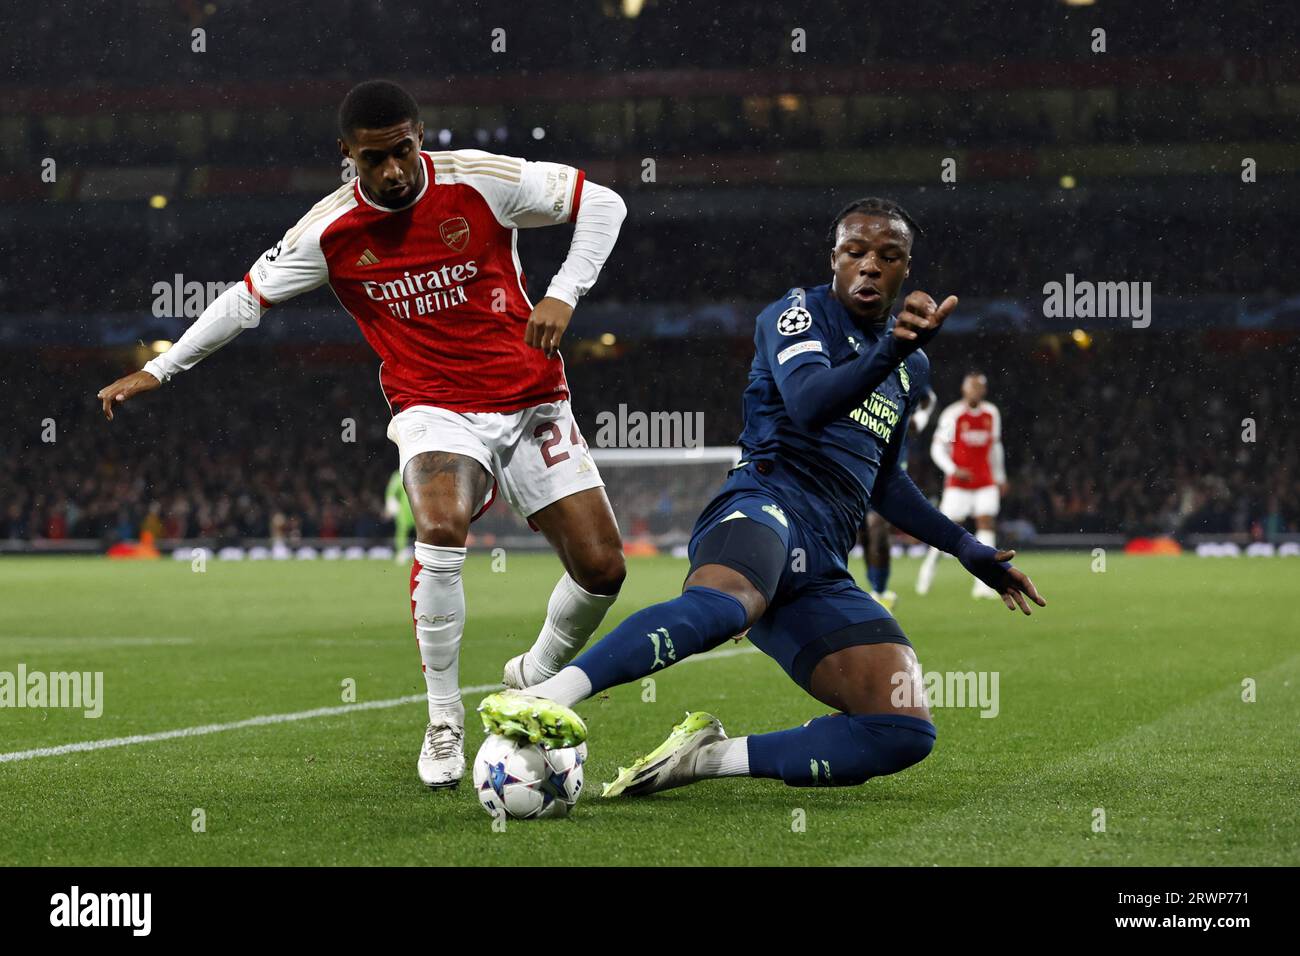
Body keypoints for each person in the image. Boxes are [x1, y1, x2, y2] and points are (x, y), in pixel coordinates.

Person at [96, 80, 628, 790]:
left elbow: (603, 202)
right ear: (347, 156)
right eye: (375, 159)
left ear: (419, 137)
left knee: (602, 570)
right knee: (439, 526)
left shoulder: (479, 180)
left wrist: (564, 290)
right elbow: (244, 299)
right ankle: (444, 720)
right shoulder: (329, 230)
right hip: (433, 406)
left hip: (532, 399)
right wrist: (162, 369)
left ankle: (530, 676)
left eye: (404, 151)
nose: (395, 171)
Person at [478, 198, 1045, 797]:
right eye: (855, 253)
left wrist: (964, 547)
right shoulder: (797, 315)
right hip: (761, 506)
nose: (870, 267)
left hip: (821, 563)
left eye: (888, 257)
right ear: (834, 260)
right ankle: (547, 694)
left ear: (907, 270)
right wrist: (890, 352)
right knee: (728, 606)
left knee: (901, 727)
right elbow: (808, 401)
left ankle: (707, 758)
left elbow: (884, 480)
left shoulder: (912, 366)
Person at [915, 372, 1007, 598]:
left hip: (985, 481)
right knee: (948, 531)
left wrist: (1000, 476)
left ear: (984, 391)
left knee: (986, 523)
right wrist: (953, 469)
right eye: (972, 387)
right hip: (958, 484)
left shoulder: (991, 413)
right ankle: (928, 568)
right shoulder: (953, 415)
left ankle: (983, 585)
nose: (975, 390)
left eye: (979, 387)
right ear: (964, 390)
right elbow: (938, 448)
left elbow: (995, 447)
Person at [859, 385, 937, 610]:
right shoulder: (852, 359)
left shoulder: (906, 364)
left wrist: (920, 418)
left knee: (877, 527)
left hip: (887, 463)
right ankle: (869, 585)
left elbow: (929, 396)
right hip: (854, 457)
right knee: (862, 532)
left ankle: (879, 591)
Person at [384, 468, 415, 562]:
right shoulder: (399, 475)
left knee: (424, 533)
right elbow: (391, 492)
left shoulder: (423, 473)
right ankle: (401, 553)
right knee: (402, 532)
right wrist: (391, 506)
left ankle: (426, 555)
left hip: (420, 509)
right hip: (404, 510)